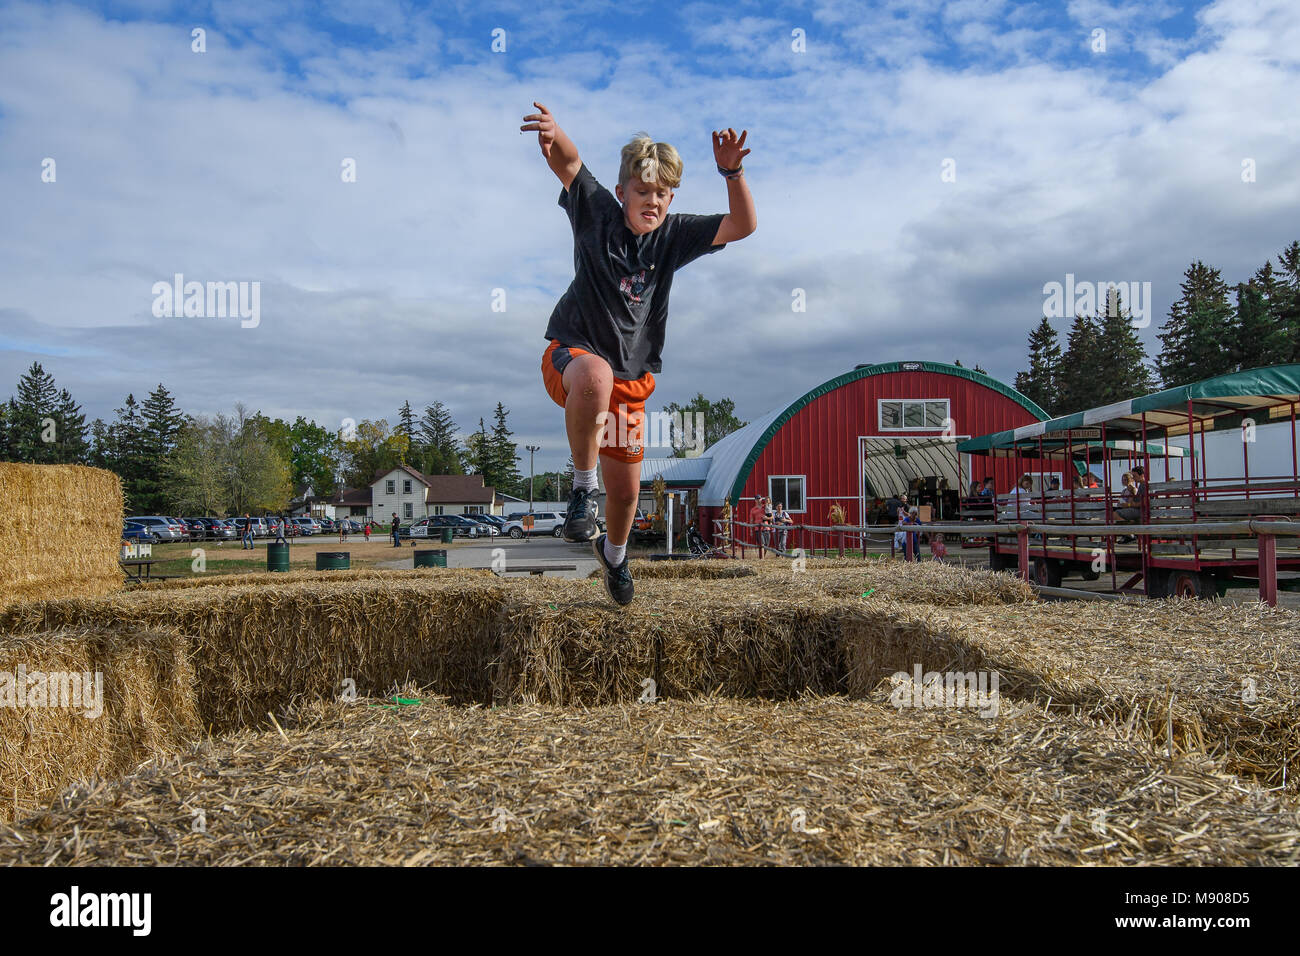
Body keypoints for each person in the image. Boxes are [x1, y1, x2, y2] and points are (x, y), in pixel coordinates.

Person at [523, 102, 756, 606]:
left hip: (631, 384)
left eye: (662, 194)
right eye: (643, 191)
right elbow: (568, 163)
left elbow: (742, 225)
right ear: (623, 190)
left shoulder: (673, 236)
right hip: (572, 358)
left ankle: (614, 553)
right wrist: (554, 132)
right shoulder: (597, 211)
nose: (652, 201)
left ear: (672, 198)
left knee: (627, 494)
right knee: (595, 375)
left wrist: (732, 172)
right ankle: (581, 494)